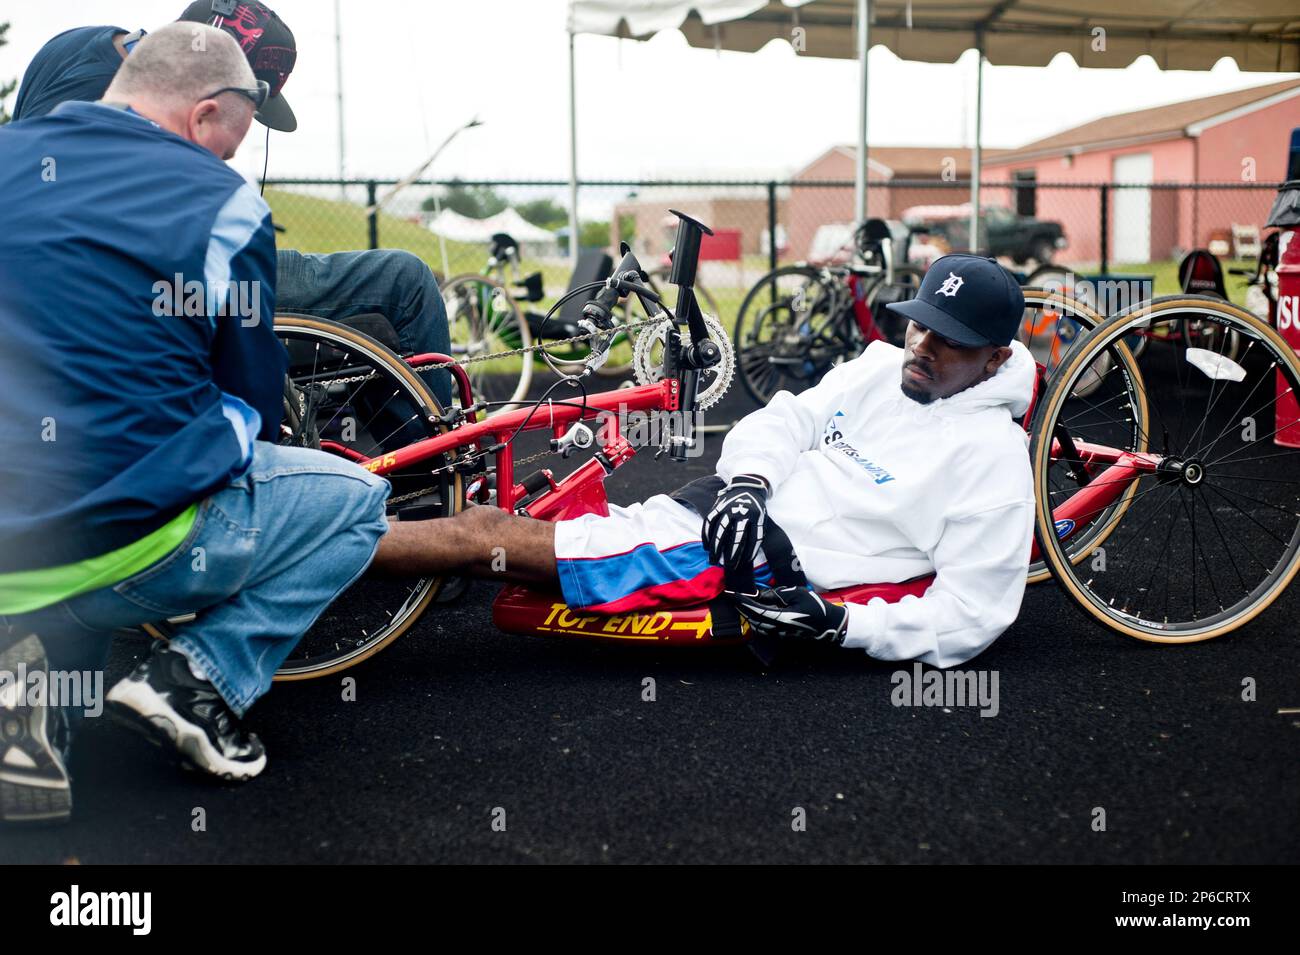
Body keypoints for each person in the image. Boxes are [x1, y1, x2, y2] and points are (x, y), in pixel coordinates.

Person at [0, 24, 390, 824]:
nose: (229, 163)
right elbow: (247, 389)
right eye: (230, 144)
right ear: (205, 113)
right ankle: (197, 680)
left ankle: (34, 698)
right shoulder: (225, 202)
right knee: (354, 500)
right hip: (131, 544)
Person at [369, 254, 1037, 668]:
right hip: (726, 501)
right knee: (510, 529)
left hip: (741, 558)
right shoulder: (882, 365)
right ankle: (324, 531)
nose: (921, 345)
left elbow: (972, 614)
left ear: (996, 358)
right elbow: (783, 418)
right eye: (919, 323)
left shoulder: (992, 461)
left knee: (486, 534)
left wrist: (840, 622)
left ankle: (295, 542)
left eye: (948, 341)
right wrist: (748, 482)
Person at [11, 0, 453, 407]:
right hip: (158, 280)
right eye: (240, 102)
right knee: (404, 279)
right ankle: (443, 473)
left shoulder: (69, 51)